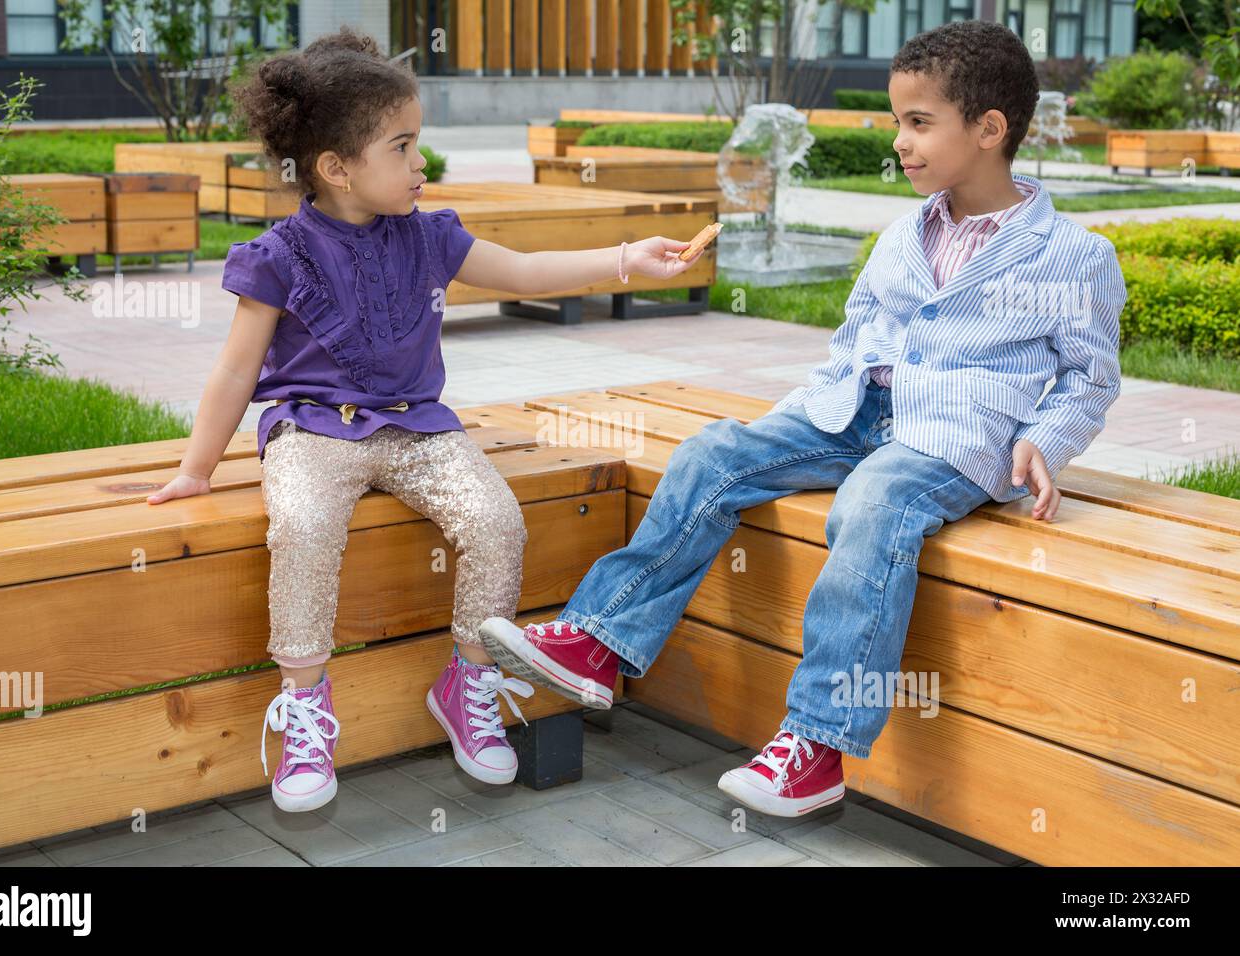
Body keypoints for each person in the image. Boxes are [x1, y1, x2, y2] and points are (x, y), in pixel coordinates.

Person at [481, 19, 1126, 818]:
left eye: (919, 123)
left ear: (990, 130)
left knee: (873, 506)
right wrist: (799, 417)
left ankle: (815, 746)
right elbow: (857, 338)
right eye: (897, 122)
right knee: (716, 453)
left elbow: (1089, 378)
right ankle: (599, 641)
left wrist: (1044, 440)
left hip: (958, 437)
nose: (900, 141)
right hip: (857, 411)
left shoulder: (1074, 255)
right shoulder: (904, 232)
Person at [146, 26, 704, 812]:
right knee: (302, 526)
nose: (421, 165)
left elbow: (524, 269)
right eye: (403, 148)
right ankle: (307, 704)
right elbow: (237, 370)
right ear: (337, 168)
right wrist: (196, 469)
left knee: (495, 518)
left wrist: (624, 259)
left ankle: (467, 682)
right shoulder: (278, 255)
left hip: (419, 427)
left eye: (420, 146)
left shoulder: (430, 235)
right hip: (314, 429)